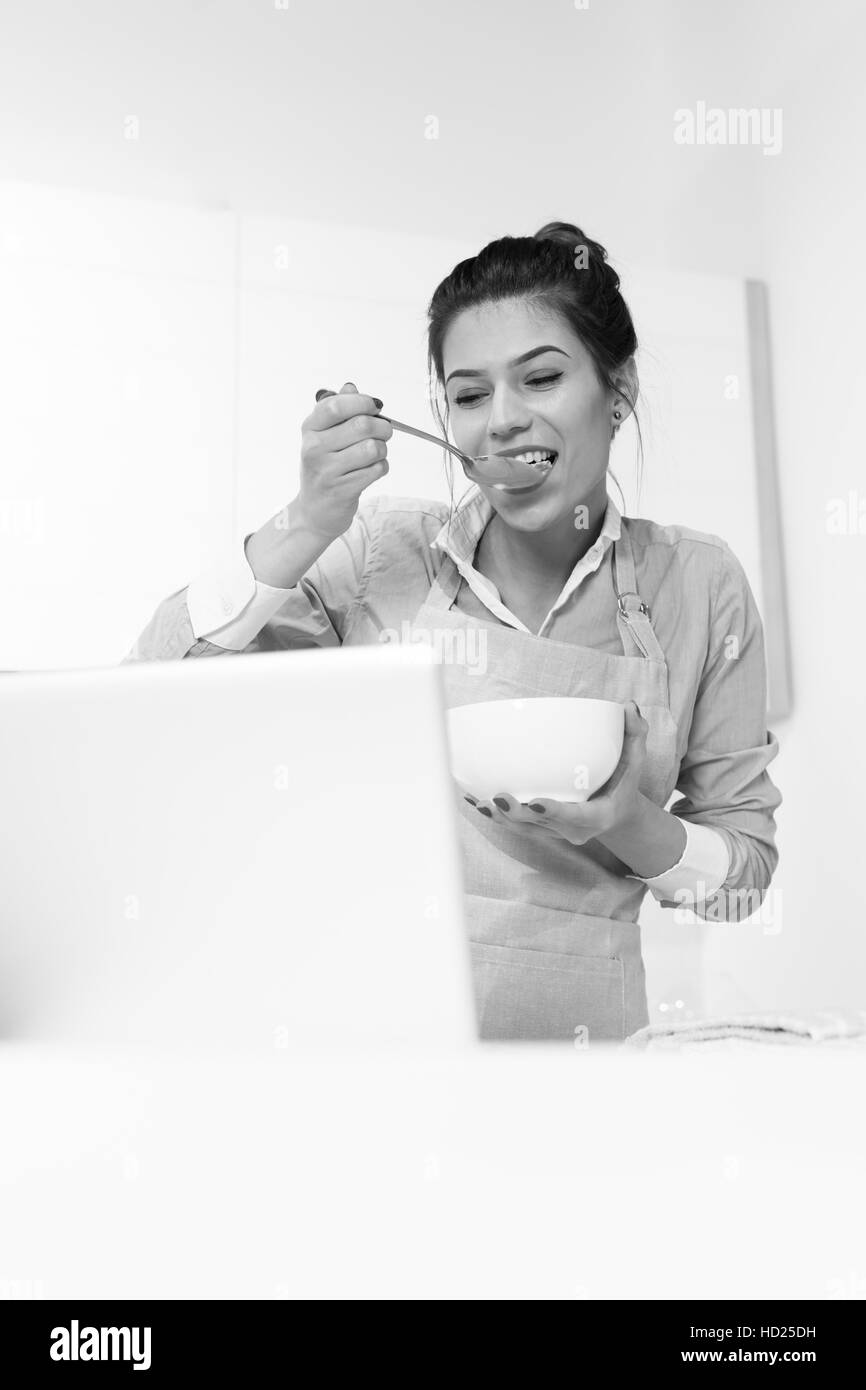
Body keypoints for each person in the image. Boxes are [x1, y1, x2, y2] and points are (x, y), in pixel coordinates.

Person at [128, 221, 781, 1042]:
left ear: (619, 392)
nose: (501, 421)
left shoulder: (700, 583)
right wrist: (305, 523)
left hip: (589, 1078)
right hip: (371, 1055)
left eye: (540, 379)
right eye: (469, 396)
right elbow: (151, 690)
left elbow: (744, 886)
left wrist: (623, 819)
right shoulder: (376, 553)